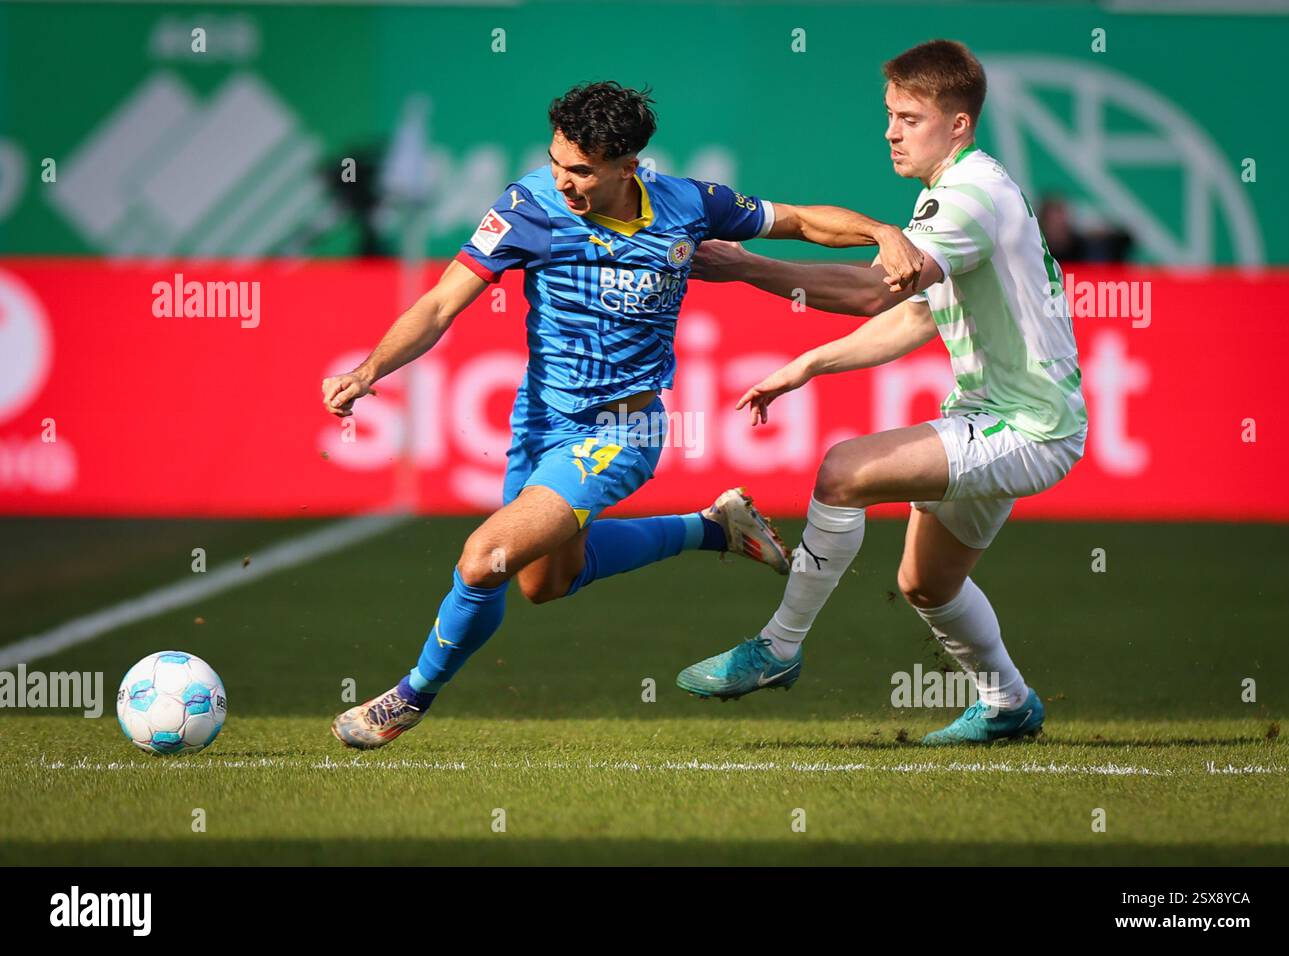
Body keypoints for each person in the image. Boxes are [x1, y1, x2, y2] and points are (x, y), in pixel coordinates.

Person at [322, 81, 926, 748]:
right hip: (538, 424)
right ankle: (712, 528)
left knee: (482, 558)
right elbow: (440, 305)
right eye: (556, 161)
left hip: (622, 432)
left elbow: (802, 221)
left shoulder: (688, 205)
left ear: (627, 166)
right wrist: (369, 369)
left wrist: (880, 231)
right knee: (542, 583)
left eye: (580, 170)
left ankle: (407, 701)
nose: (563, 180)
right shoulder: (527, 206)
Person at [676, 40, 1088, 745]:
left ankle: (777, 649)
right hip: (1005, 416)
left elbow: (873, 291)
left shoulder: (970, 195)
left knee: (844, 471)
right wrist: (807, 364)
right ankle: (1009, 705)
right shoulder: (956, 193)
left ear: (959, 124)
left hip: (1029, 425)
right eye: (890, 115)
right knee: (928, 585)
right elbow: (916, 315)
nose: (892, 131)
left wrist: (748, 267)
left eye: (910, 117)